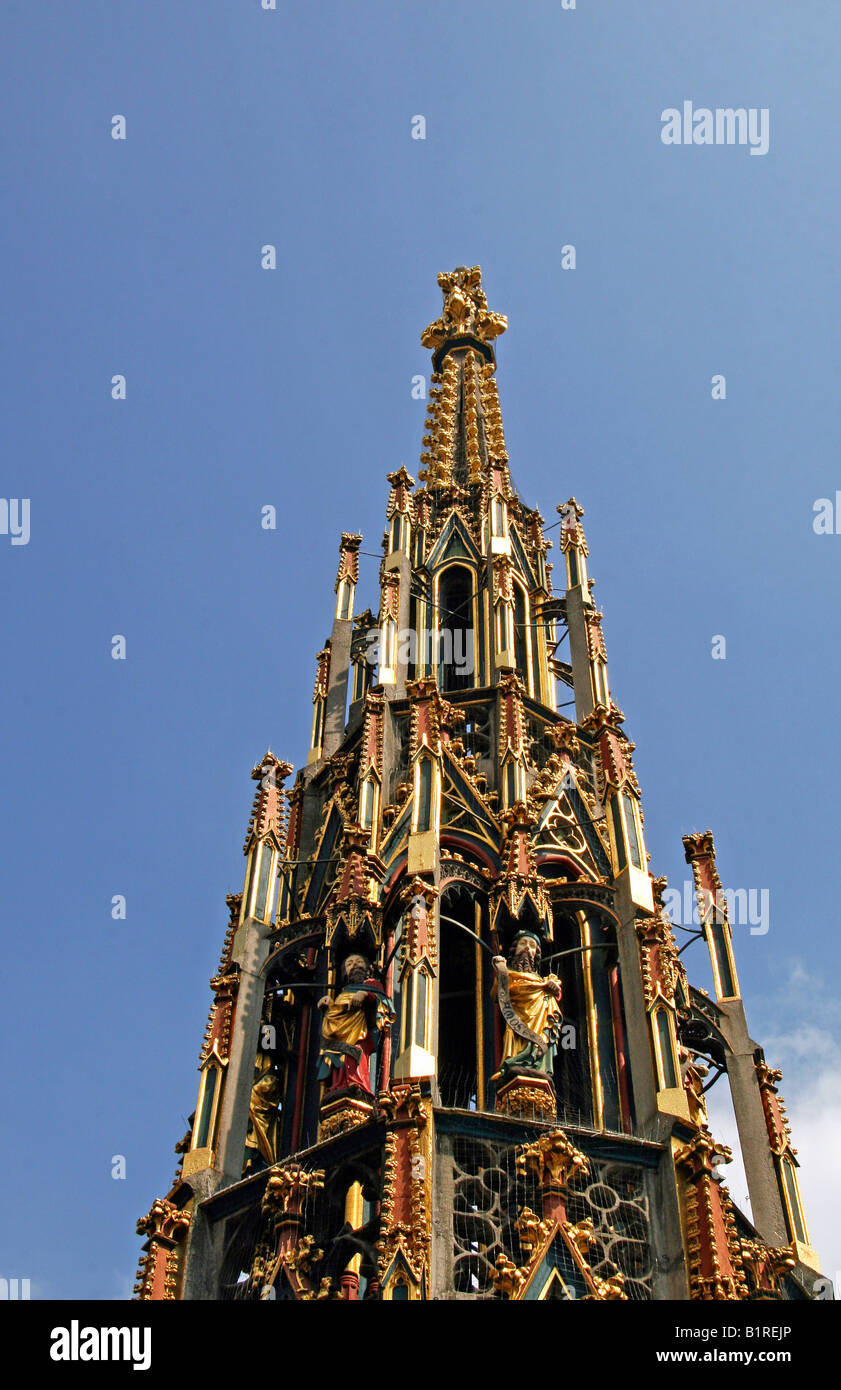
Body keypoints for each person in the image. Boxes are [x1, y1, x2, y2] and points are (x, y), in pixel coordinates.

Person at [317, 953, 394, 1095]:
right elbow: (339, 1014)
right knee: (338, 1059)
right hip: (340, 1036)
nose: (355, 966)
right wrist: (329, 1004)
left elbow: (382, 1000)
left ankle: (358, 1084)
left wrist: (365, 994)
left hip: (359, 1033)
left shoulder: (371, 984)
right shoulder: (344, 991)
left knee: (354, 1055)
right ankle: (337, 1086)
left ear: (368, 967)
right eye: (349, 964)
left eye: (359, 962)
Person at [491, 931, 562, 1080]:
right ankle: (513, 1065)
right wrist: (501, 971)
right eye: (523, 944)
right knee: (514, 1038)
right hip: (517, 1021)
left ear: (536, 953)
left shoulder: (540, 980)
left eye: (532, 946)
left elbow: (556, 993)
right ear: (514, 949)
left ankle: (539, 1065)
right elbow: (495, 995)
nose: (527, 949)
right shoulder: (509, 974)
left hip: (540, 1019)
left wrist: (552, 988)